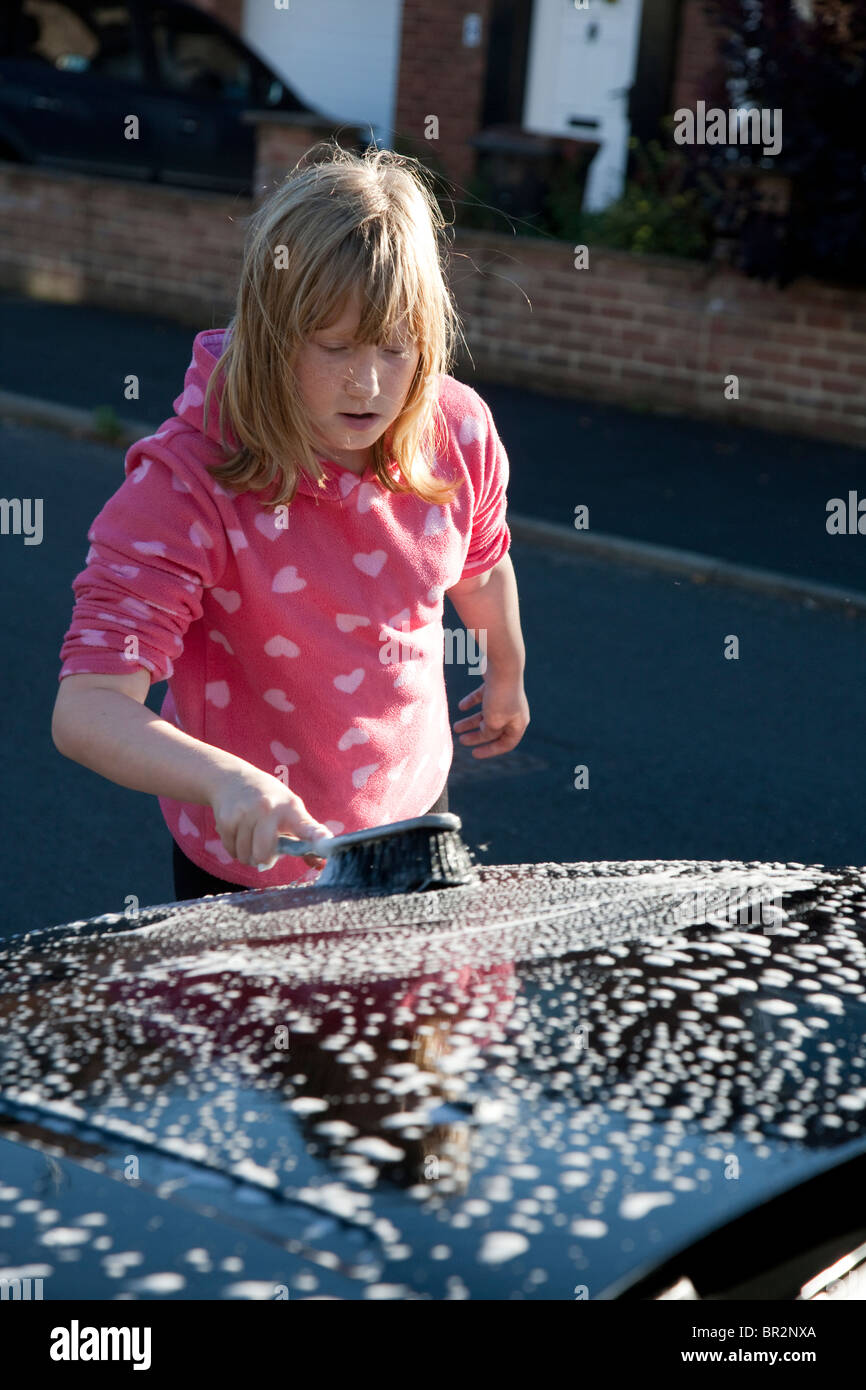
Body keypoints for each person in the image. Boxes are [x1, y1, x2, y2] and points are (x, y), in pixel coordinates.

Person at [51, 141, 530, 900]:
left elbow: (480, 561)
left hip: (411, 814)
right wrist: (225, 781)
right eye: (334, 346)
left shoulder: (456, 430)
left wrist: (506, 669)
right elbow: (88, 707)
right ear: (272, 334)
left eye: (396, 349)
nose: (369, 383)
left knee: (406, 1020)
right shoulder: (187, 485)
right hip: (254, 853)